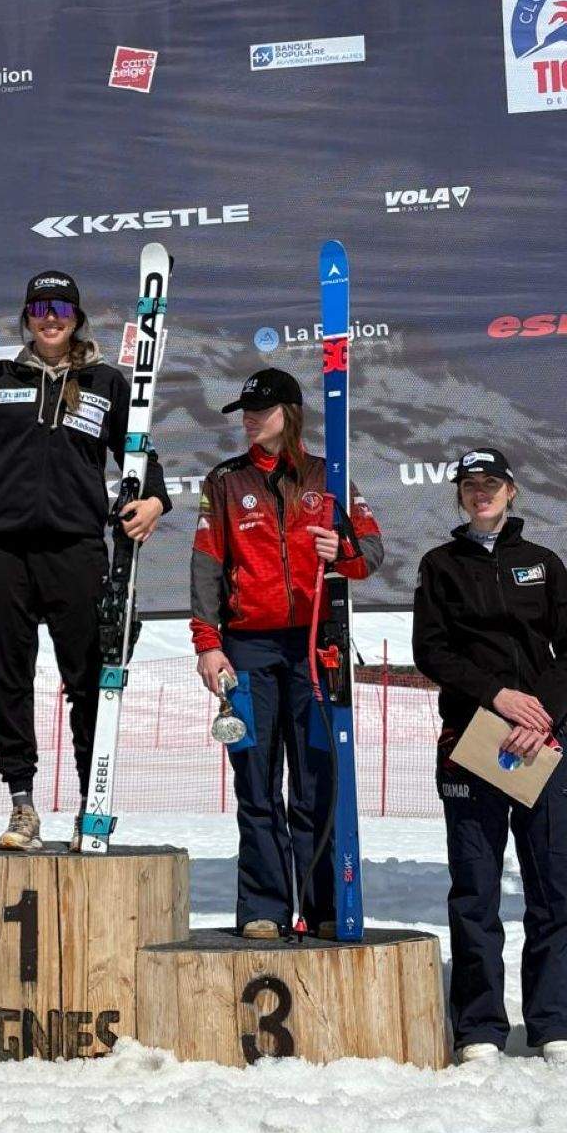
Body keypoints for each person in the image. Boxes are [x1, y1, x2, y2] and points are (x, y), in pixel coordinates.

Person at [0, 266, 170, 851]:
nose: (49, 319)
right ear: (25, 316)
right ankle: (22, 806)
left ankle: (92, 803)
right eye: (39, 309)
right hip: (5, 551)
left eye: (61, 311)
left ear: (77, 320)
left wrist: (155, 501)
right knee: (9, 679)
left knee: (89, 679)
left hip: (76, 549)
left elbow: (140, 454)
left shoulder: (105, 384)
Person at [190, 368, 383, 938]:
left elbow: (370, 552)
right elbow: (205, 567)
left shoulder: (331, 475)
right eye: (245, 411)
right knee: (255, 783)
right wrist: (208, 644)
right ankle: (265, 912)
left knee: (316, 782)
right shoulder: (225, 481)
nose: (250, 419)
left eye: (261, 409)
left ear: (291, 413)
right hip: (247, 650)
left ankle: (323, 907)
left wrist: (341, 549)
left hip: (315, 648)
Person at [412, 447, 567, 1065]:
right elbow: (432, 653)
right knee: (475, 893)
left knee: (550, 892)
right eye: (469, 485)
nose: (479, 493)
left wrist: (538, 714)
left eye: (490, 484)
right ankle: (480, 1029)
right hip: (472, 743)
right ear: (459, 495)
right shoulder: (440, 566)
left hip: (540, 743)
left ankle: (554, 1025)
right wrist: (498, 699)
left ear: (511, 491)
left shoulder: (542, 563)